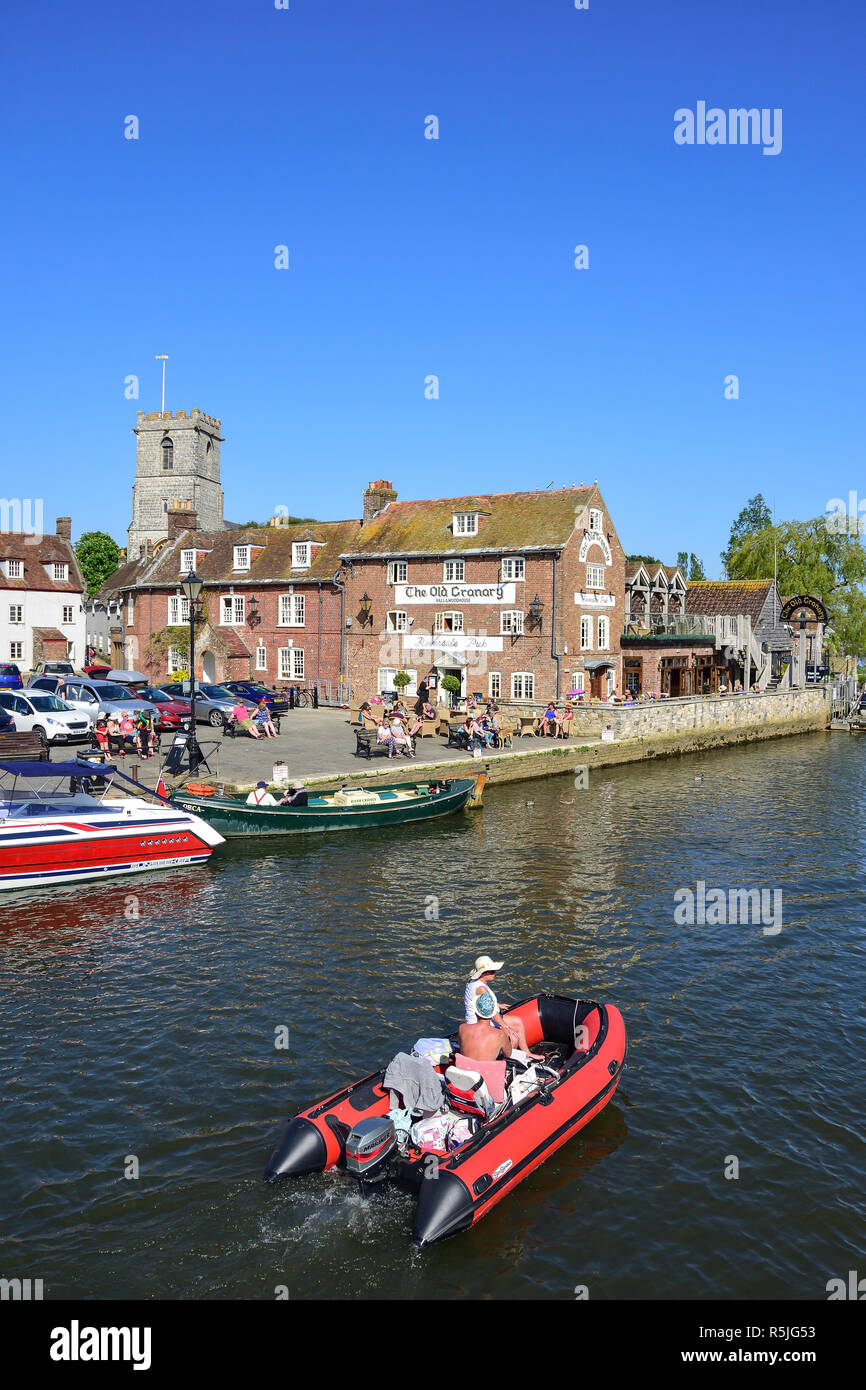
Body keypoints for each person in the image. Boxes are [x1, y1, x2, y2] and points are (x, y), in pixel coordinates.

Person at [463, 956, 544, 1060]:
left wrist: (497, 1004)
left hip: (484, 1018)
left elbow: (482, 1001)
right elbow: (491, 1013)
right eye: (492, 971)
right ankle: (506, 1062)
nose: (495, 973)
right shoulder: (481, 988)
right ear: (483, 973)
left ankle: (527, 1053)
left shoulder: (475, 983)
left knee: (517, 1022)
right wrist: (506, 1027)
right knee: (513, 1039)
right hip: (481, 1021)